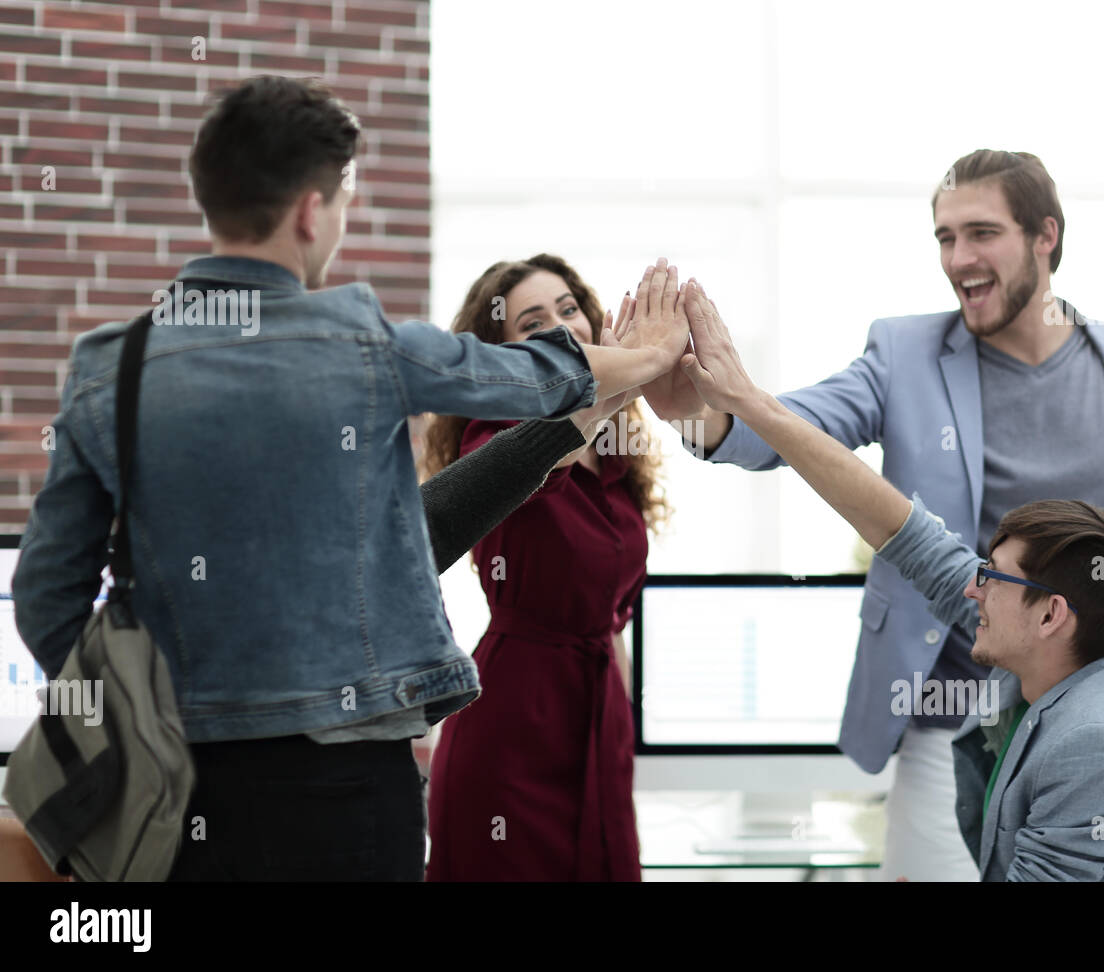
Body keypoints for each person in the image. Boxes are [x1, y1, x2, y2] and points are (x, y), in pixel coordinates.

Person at [10, 76, 685, 881]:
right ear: (308, 210)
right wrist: (646, 356)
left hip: (179, 785)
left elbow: (48, 595)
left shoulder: (109, 369)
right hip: (348, 787)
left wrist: (133, 711)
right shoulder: (358, 338)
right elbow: (525, 379)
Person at [641, 150, 1104, 880]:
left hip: (1094, 727)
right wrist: (703, 417)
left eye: (980, 233)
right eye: (944, 237)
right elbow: (795, 429)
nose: (958, 257)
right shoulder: (904, 354)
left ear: (1045, 236)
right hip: (953, 723)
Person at [421, 255, 675, 881]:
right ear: (504, 357)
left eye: (570, 310)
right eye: (535, 324)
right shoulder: (497, 439)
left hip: (600, 714)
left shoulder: (618, 464)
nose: (566, 329)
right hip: (514, 721)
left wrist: (624, 729)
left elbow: (613, 619)